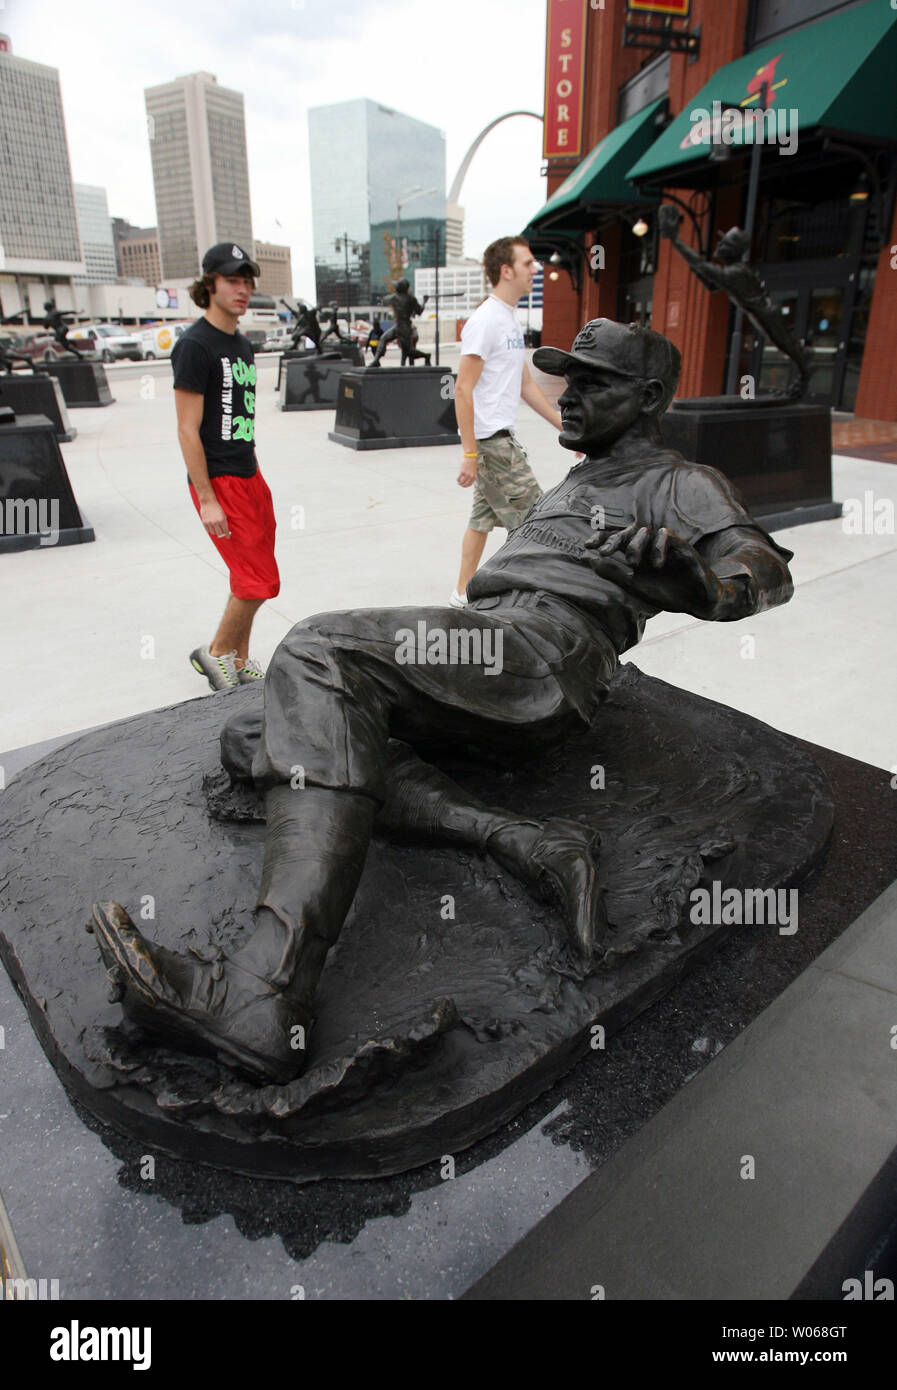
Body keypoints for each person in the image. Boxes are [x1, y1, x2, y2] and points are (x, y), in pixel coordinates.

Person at [90, 318, 794, 1085]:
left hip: (540, 655)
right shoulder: (576, 480)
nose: (569, 395)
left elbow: (761, 571)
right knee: (257, 734)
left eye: (593, 382)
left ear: (650, 396)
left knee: (318, 651)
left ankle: (265, 989)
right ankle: (522, 841)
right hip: (489, 647)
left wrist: (702, 583)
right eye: (566, 378)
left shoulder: (677, 481)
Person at [172, 242, 279, 692]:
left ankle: (237, 658)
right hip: (219, 482)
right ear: (209, 283)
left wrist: (253, 475)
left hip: (249, 474)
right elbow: (186, 430)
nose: (243, 289)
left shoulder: (239, 342)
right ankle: (215, 655)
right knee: (256, 580)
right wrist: (208, 498)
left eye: (247, 281)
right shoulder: (195, 346)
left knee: (258, 576)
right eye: (233, 280)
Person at [450, 236, 562, 608]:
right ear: (506, 270)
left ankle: (461, 594)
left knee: (481, 520)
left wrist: (562, 424)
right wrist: (470, 453)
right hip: (492, 446)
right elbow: (462, 389)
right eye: (528, 263)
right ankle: (530, 603)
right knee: (536, 522)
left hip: (497, 441)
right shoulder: (486, 320)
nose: (536, 269)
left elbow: (524, 383)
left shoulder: (509, 319)